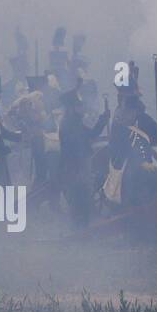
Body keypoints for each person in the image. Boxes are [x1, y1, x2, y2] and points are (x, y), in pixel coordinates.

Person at [103, 63, 157, 207]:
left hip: (141, 165)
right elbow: (121, 145)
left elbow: (155, 130)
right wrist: (142, 162)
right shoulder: (120, 120)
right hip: (126, 167)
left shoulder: (139, 116)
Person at [58, 88, 109, 229]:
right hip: (75, 166)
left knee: (83, 197)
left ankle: (82, 226)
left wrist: (102, 120)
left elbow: (91, 135)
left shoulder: (75, 122)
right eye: (79, 106)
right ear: (72, 108)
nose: (82, 108)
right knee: (79, 198)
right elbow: (78, 145)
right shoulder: (68, 124)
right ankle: (80, 228)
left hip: (79, 165)